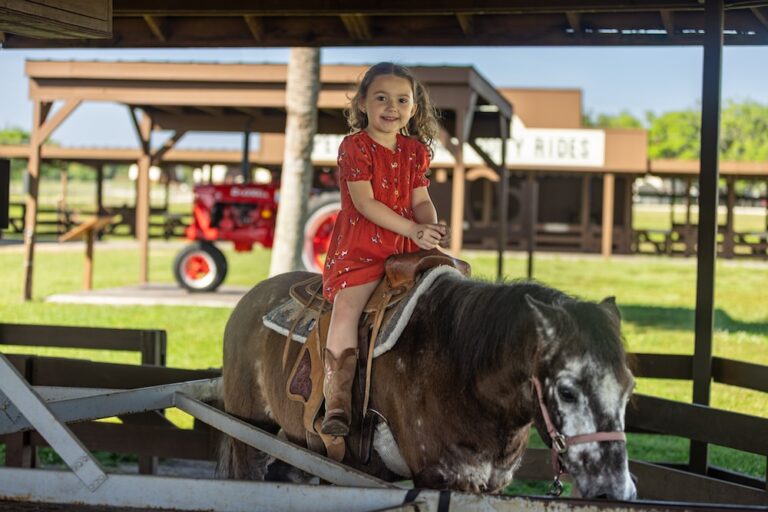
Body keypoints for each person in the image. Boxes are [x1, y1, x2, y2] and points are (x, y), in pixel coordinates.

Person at [320, 62, 447, 436]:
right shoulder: (355, 147)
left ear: (413, 109)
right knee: (347, 308)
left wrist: (429, 226)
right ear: (363, 104)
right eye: (381, 98)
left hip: (406, 246)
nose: (391, 107)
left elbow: (420, 198)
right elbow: (365, 203)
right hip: (363, 249)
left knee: (450, 286)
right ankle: (338, 399)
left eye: (401, 100)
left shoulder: (414, 152)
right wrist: (412, 228)